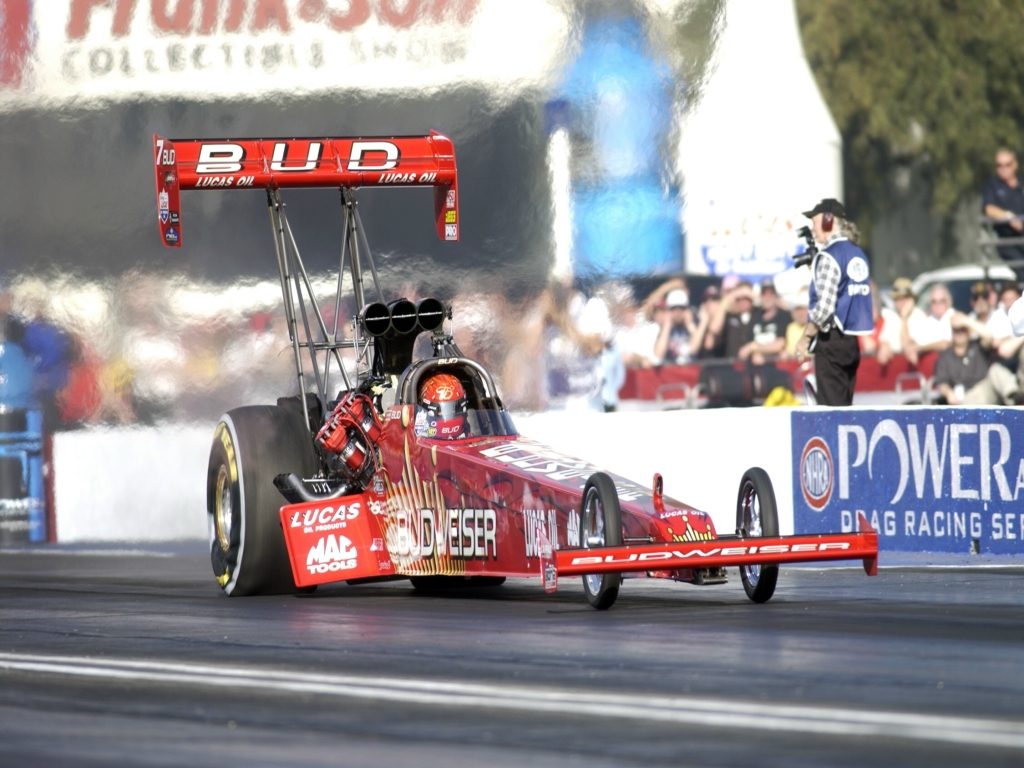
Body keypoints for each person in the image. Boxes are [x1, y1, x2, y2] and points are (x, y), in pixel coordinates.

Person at [795, 198, 873, 405]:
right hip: (851, 341)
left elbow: (824, 309)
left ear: (829, 220)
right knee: (845, 408)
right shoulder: (858, 253)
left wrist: (805, 337)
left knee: (831, 412)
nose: (812, 229)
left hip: (832, 341)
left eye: (815, 222)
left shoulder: (830, 256)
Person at [932, 316, 1020, 406]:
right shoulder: (946, 356)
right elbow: (941, 382)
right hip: (965, 397)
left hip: (987, 389)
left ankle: (1015, 400)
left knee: (996, 369)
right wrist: (949, 393)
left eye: (963, 330)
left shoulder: (977, 346)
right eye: (956, 331)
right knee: (970, 399)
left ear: (968, 332)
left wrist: (966, 321)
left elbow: (989, 335)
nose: (959, 333)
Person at [981, 147, 1024, 277]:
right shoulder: (993, 185)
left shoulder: (1022, 183)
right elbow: (988, 209)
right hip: (1008, 242)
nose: (1003, 168)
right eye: (999, 165)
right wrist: (1009, 217)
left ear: (1015, 164)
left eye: (1007, 164)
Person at [737, 278, 791, 363]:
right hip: (756, 366)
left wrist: (754, 347)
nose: (767, 297)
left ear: (775, 296)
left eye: (771, 294)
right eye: (764, 294)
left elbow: (780, 344)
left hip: (777, 363)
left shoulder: (784, 315)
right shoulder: (754, 315)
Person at [652, 288, 699, 364]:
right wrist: (667, 325)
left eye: (681, 308)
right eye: (673, 308)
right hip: (672, 373)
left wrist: (689, 324)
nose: (678, 311)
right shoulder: (664, 329)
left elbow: (696, 348)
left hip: (691, 371)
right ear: (668, 310)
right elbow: (658, 355)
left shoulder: (694, 324)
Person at [417, 373, 468, 439]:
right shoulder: (421, 428)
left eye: (454, 409)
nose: (449, 414)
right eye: (442, 410)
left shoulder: (467, 427)